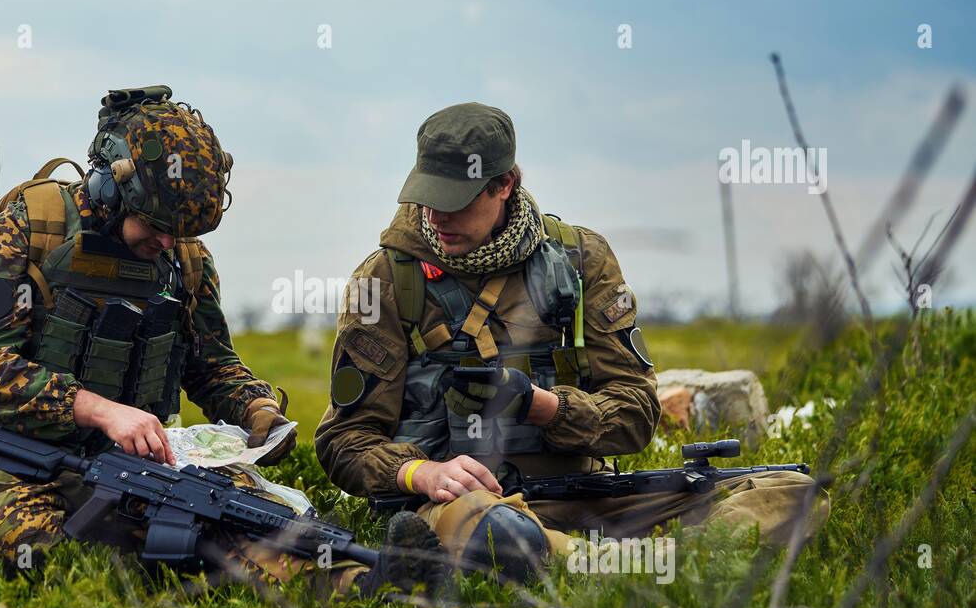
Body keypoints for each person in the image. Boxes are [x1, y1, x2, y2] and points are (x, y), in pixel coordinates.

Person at [0, 86, 443, 595]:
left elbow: (210, 365)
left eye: (180, 231)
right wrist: (101, 411)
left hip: (145, 467)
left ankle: (370, 581)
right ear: (109, 188)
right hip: (21, 464)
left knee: (248, 521)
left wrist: (257, 409)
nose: (168, 242)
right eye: (158, 226)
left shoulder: (186, 261)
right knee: (52, 557)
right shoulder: (29, 230)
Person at [315, 102, 828, 580]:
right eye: (428, 197)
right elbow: (344, 442)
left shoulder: (580, 260)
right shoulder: (384, 280)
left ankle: (619, 558)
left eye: (457, 200)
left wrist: (541, 407)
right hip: (461, 508)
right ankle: (638, 565)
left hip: (588, 494)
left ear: (505, 185)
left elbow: (636, 414)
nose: (438, 217)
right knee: (487, 529)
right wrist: (420, 473)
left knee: (795, 493)